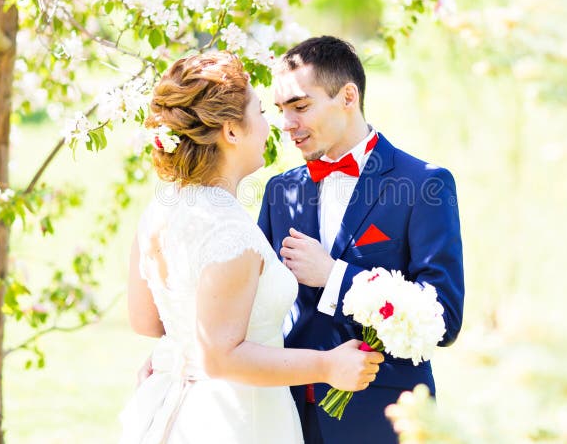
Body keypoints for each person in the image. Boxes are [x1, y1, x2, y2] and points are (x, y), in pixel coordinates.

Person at [120, 51, 384, 444]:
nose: (271, 126)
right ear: (230, 131)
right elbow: (222, 356)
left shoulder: (160, 210)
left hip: (174, 407)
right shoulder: (228, 229)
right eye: (260, 112)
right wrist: (327, 366)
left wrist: (181, 354)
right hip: (236, 418)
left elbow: (147, 322)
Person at [258, 36, 465, 444]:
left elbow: (444, 318)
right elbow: (255, 301)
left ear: (348, 96)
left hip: (380, 420)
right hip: (284, 417)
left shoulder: (424, 184)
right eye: (283, 111)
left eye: (300, 107)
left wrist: (335, 276)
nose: (287, 124)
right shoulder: (280, 191)